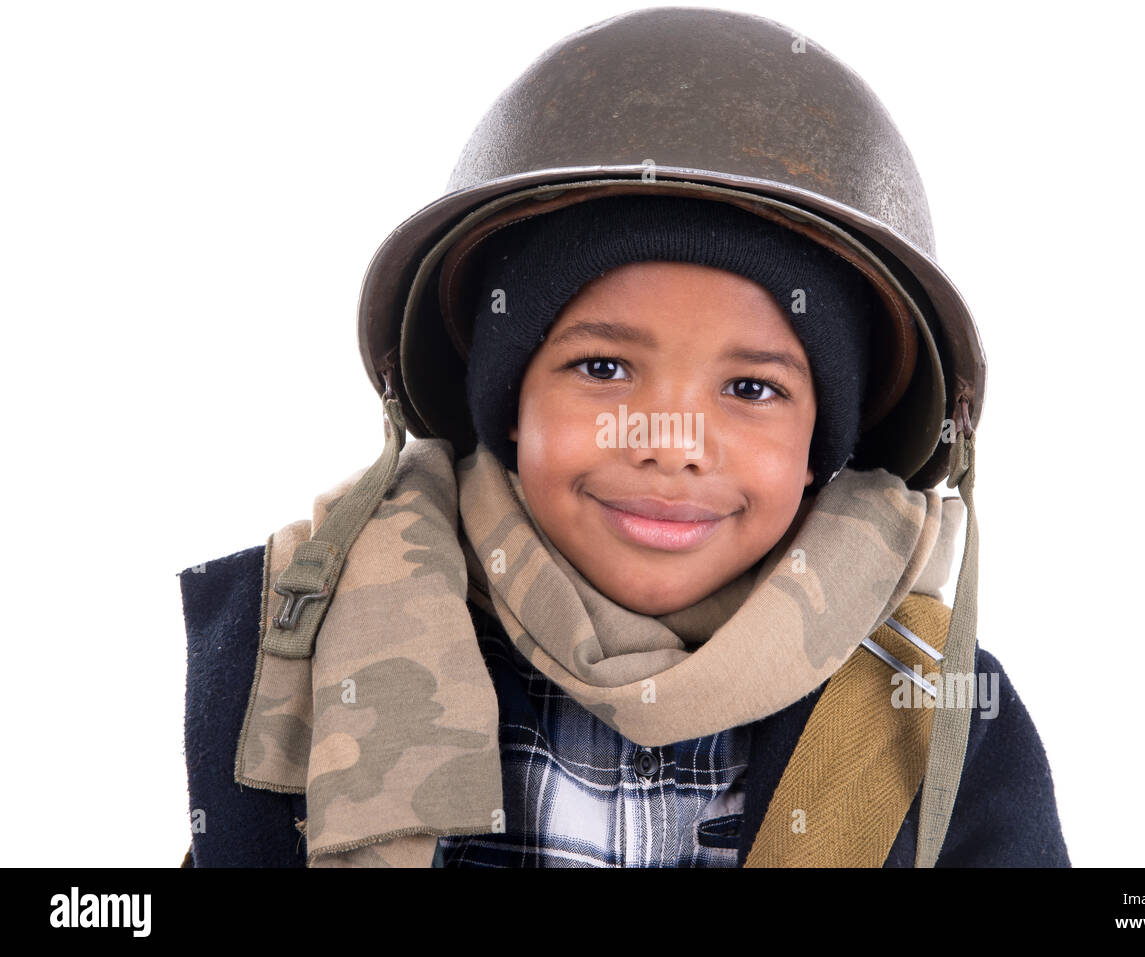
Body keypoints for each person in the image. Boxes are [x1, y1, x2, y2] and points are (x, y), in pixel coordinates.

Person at [178, 7, 1069, 868]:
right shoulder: (319, 645)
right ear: (507, 404)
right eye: (603, 369)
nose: (673, 441)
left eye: (752, 387)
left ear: (821, 453)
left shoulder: (935, 714)